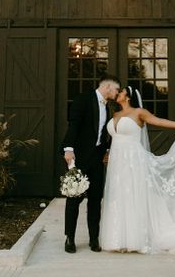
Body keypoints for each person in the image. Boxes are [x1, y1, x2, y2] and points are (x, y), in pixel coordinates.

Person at [98, 84, 175, 254]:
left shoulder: (139, 112)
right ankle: (118, 239)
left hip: (134, 161)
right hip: (117, 164)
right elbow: (112, 138)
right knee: (118, 196)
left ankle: (135, 240)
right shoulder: (115, 114)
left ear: (128, 96)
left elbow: (158, 121)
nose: (117, 93)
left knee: (134, 197)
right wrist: (107, 152)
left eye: (121, 91)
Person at [61, 75, 120, 253]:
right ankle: (69, 239)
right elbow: (74, 125)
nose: (117, 93)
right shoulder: (83, 99)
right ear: (108, 87)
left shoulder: (109, 106)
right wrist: (68, 149)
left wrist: (108, 150)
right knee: (74, 198)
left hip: (96, 159)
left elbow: (104, 133)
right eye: (116, 89)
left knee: (95, 200)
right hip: (78, 157)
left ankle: (93, 239)